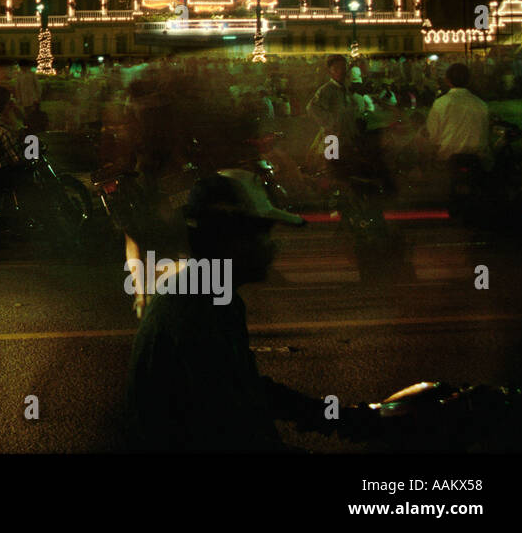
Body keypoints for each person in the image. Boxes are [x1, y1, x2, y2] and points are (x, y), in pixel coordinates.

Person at [125, 170, 352, 452]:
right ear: (227, 239)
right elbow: (228, 425)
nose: (270, 246)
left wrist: (335, 416)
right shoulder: (197, 310)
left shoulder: (210, 294)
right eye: (260, 234)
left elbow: (246, 388)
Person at [425, 62, 490, 165]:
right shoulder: (481, 104)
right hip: (476, 160)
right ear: (469, 80)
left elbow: (432, 134)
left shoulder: (441, 103)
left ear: (447, 80)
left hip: (447, 158)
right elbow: (485, 134)